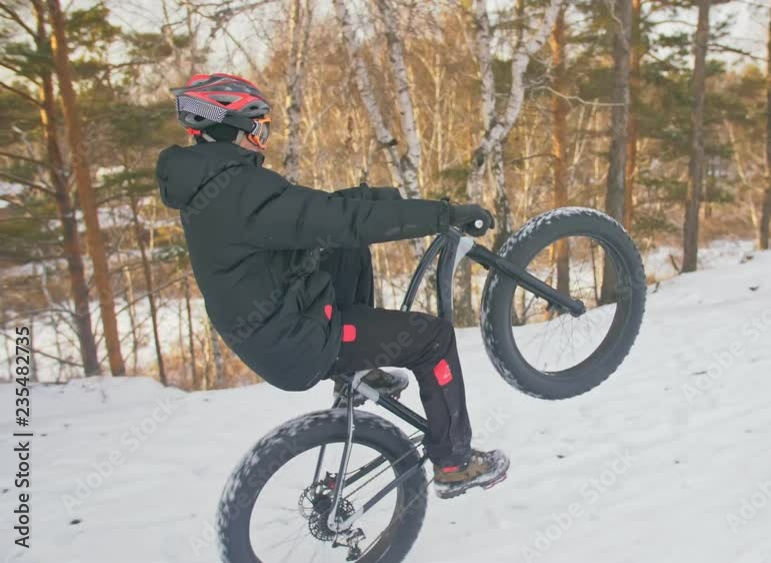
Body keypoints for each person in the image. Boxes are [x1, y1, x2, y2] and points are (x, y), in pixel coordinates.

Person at [156, 73, 509, 499]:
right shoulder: (243, 191)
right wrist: (443, 214)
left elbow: (321, 215)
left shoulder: (213, 186)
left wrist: (381, 201)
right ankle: (455, 463)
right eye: (262, 127)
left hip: (275, 324)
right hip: (298, 342)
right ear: (239, 127)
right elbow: (336, 217)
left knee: (342, 242)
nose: (263, 139)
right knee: (433, 338)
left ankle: (357, 374)